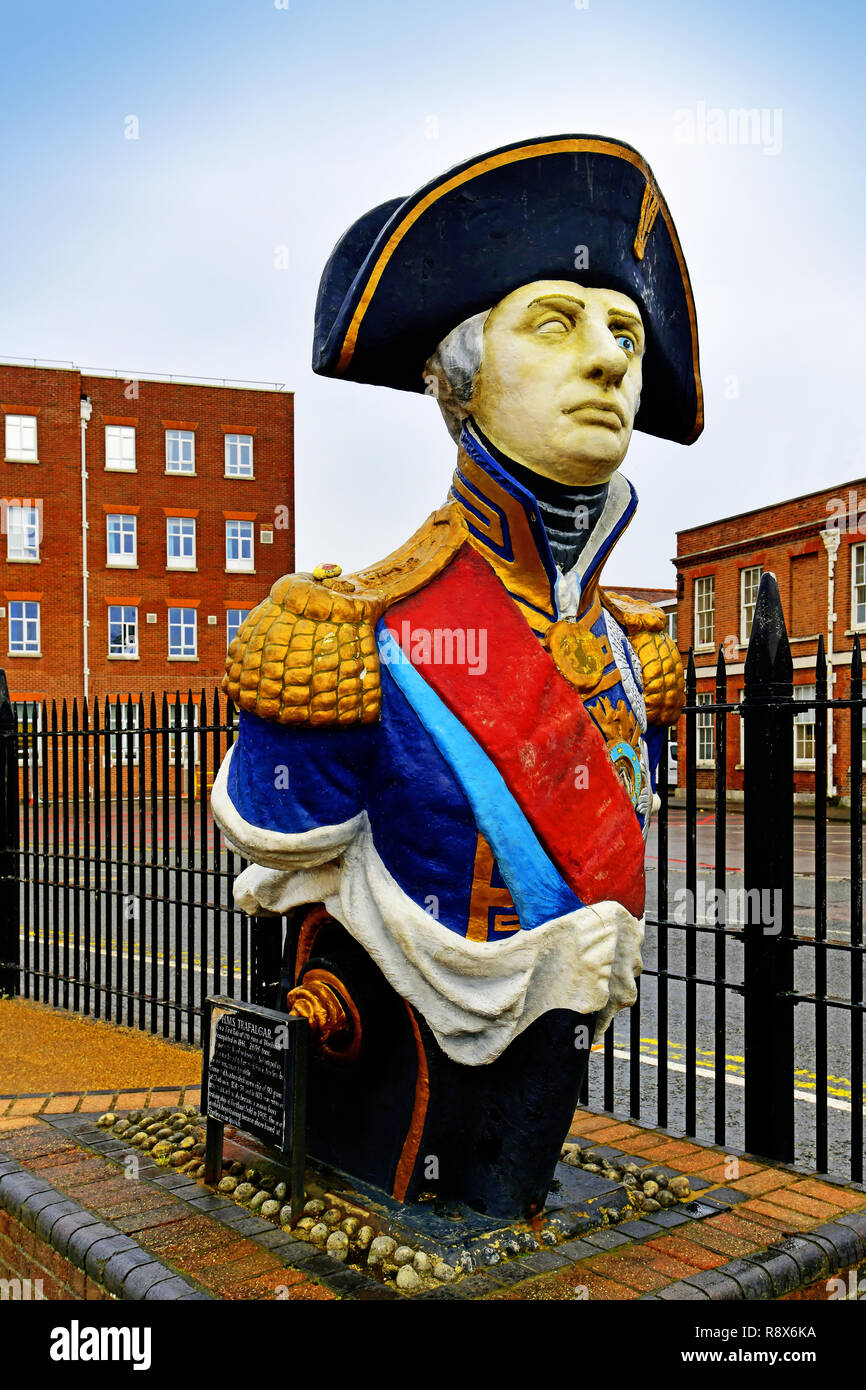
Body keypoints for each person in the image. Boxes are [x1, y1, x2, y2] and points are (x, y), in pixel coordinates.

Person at [210, 135, 700, 1219]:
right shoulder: (355, 630)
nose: (611, 359)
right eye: (555, 323)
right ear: (457, 379)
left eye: (622, 329)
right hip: (387, 1096)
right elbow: (272, 835)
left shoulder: (630, 648)